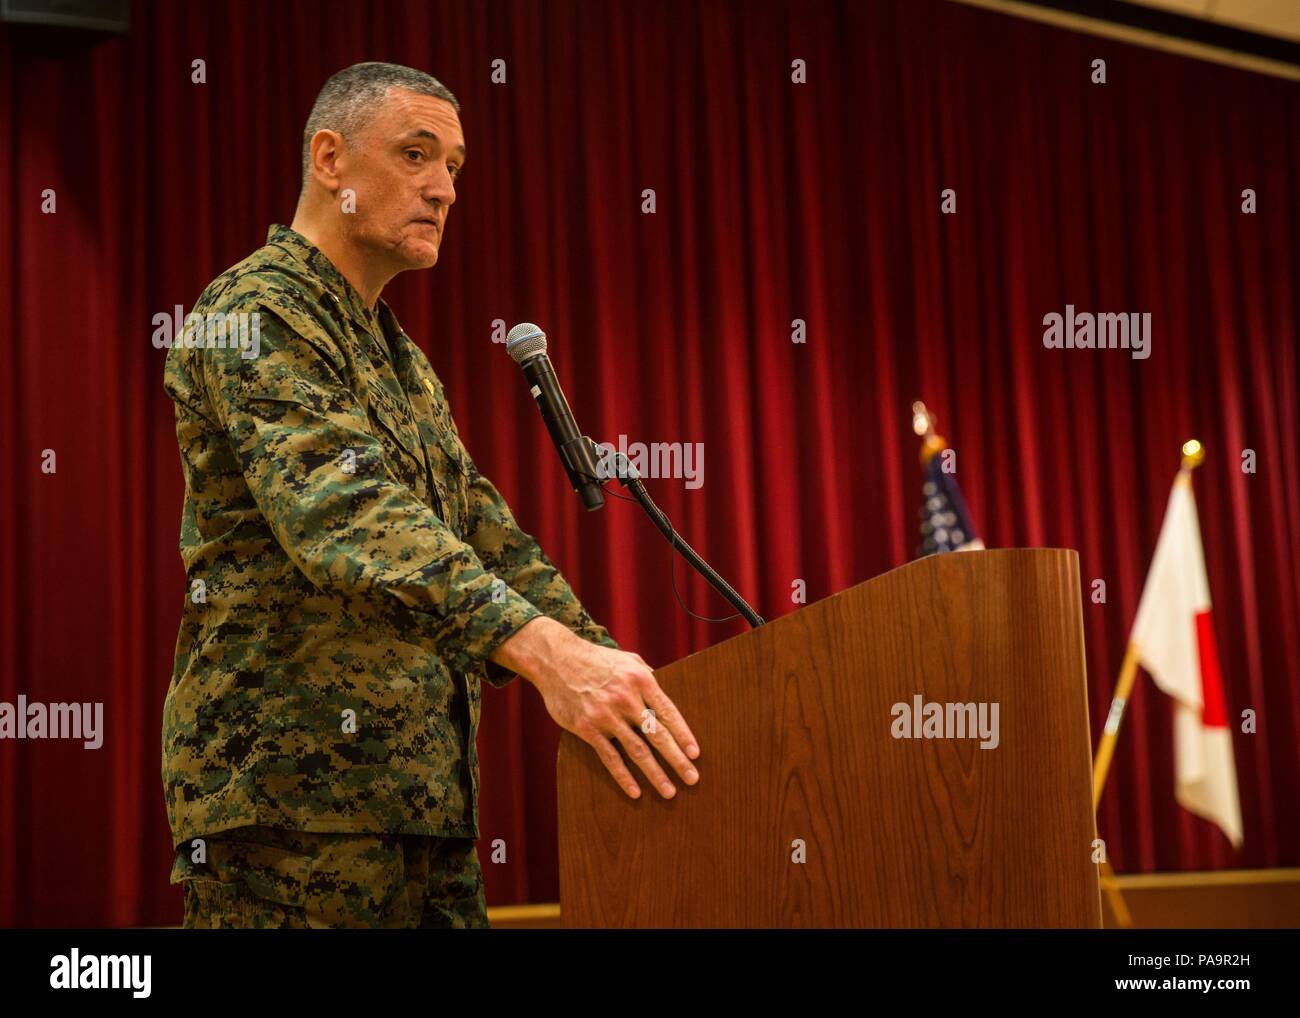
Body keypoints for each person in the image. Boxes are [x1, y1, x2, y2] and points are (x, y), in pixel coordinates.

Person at [162, 61, 700, 928]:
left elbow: (484, 534)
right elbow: (348, 518)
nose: (444, 190)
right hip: (292, 812)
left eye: (453, 166)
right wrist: (549, 657)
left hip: (420, 800)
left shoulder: (397, 354)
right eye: (417, 155)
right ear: (329, 159)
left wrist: (622, 677)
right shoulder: (253, 312)